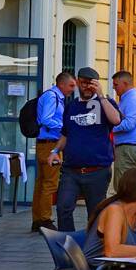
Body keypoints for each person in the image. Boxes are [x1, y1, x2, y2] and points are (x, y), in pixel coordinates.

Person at [51, 67, 122, 231]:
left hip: (97, 170)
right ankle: (68, 246)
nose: (87, 87)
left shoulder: (105, 103)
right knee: (63, 208)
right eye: (84, 83)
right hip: (71, 171)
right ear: (77, 83)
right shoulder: (71, 106)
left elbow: (116, 120)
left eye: (91, 83)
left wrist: (101, 96)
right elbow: (65, 134)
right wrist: (54, 152)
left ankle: (93, 249)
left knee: (95, 213)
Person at [31, 70, 75, 232]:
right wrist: (64, 127)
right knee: (49, 183)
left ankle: (38, 219)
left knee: (42, 182)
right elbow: (45, 119)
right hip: (50, 145)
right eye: (71, 85)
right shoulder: (52, 96)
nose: (72, 89)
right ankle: (44, 219)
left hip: (46, 143)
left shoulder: (56, 97)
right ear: (61, 84)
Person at [111, 70, 136, 190]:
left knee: (123, 187)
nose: (113, 87)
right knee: (130, 186)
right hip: (130, 146)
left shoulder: (132, 99)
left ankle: (125, 208)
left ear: (125, 83)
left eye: (116, 84)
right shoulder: (128, 98)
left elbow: (129, 124)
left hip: (128, 147)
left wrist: (110, 129)